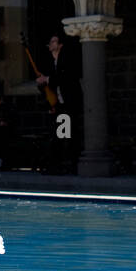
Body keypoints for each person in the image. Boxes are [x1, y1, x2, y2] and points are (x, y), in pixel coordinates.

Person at [35, 32, 82, 173]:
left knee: (68, 134)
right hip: (60, 105)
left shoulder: (66, 59)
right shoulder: (52, 63)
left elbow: (63, 77)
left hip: (70, 103)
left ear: (60, 45)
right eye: (51, 41)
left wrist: (47, 79)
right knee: (62, 134)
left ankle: (70, 164)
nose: (51, 43)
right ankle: (60, 165)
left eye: (54, 41)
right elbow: (50, 86)